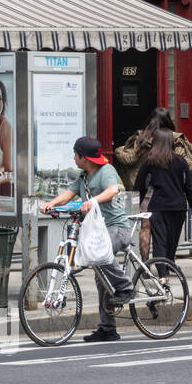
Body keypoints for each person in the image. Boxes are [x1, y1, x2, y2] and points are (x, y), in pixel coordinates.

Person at [40, 137, 133, 342]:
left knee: (100, 254)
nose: (73, 158)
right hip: (98, 230)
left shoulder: (106, 171)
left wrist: (92, 201)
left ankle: (126, 287)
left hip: (116, 227)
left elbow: (113, 189)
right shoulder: (83, 177)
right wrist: (50, 204)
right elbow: (68, 194)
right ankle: (108, 329)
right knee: (101, 279)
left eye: (75, 154)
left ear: (85, 157)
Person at [113, 107, 192, 251]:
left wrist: (118, 150)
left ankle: (145, 265)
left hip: (144, 191)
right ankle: (167, 262)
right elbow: (185, 163)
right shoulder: (174, 138)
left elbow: (129, 159)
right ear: (168, 120)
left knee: (145, 228)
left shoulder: (141, 138)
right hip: (169, 191)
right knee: (168, 231)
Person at [134, 128, 192, 264]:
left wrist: (135, 206)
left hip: (158, 206)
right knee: (172, 241)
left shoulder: (150, 161)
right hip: (178, 207)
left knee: (159, 241)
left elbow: (140, 185)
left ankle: (163, 275)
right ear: (171, 142)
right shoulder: (181, 161)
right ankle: (168, 266)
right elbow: (189, 185)